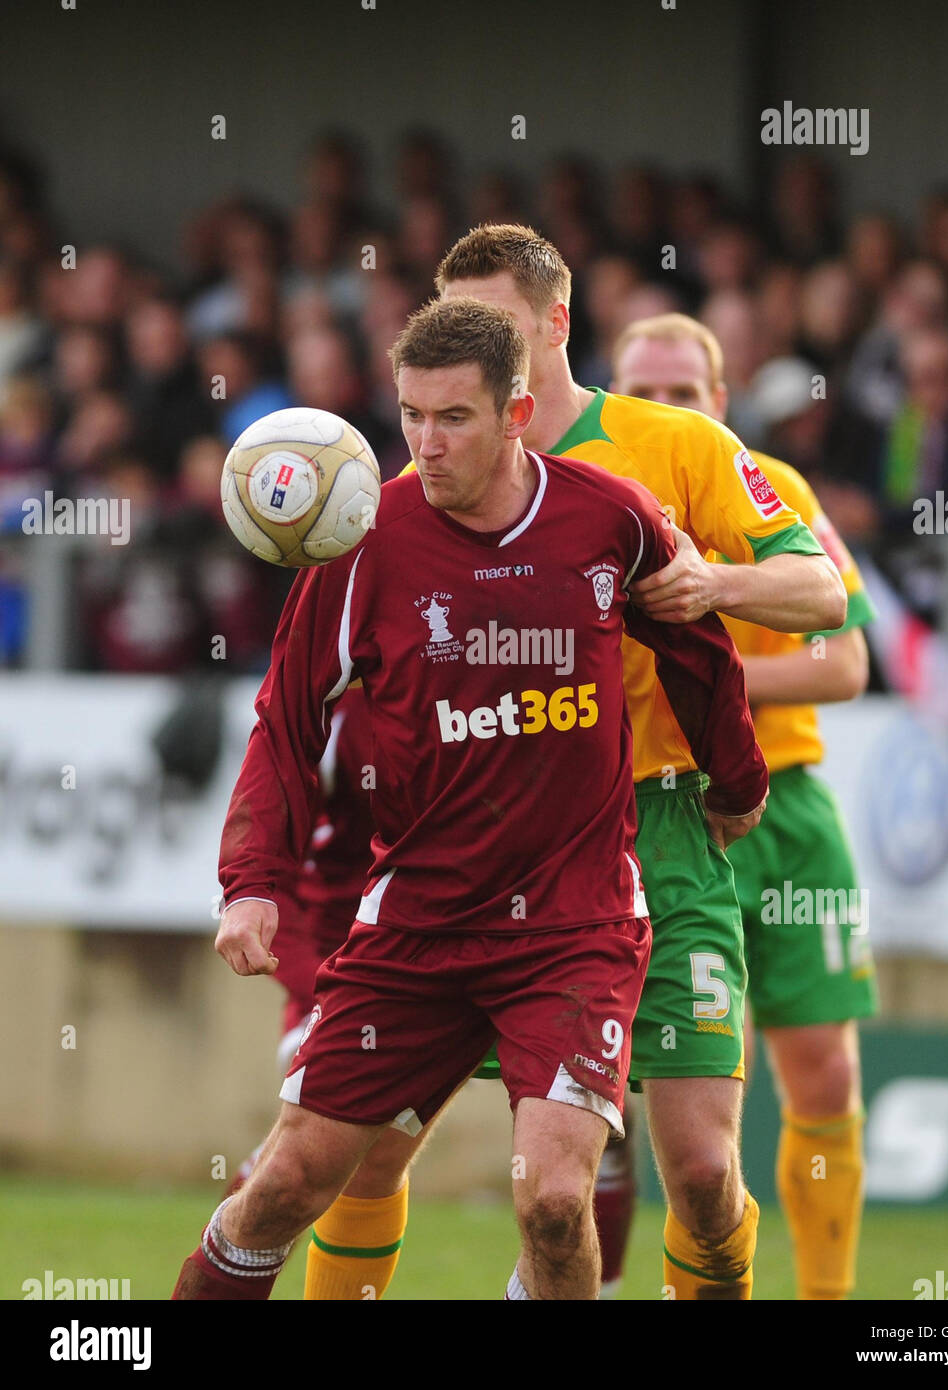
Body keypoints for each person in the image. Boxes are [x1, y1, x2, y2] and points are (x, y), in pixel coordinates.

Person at [172, 297, 768, 1301]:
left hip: (574, 922)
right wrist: (251, 882)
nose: (423, 443)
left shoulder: (608, 517)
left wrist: (735, 775)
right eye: (409, 414)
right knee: (286, 1182)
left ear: (516, 412)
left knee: (551, 1198)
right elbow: (286, 722)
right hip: (417, 921)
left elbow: (697, 639)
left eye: (452, 418)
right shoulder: (365, 542)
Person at [304, 225, 845, 1304]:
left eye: (493, 322)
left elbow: (822, 595)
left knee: (699, 1170)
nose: (468, 347)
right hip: (482, 848)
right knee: (364, 1156)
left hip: (663, 831)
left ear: (554, 324)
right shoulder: (425, 475)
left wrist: (709, 587)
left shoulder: (670, 445)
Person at [608, 312, 878, 1300]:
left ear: (719, 404)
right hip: (669, 810)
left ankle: (829, 1300)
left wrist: (708, 674)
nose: (665, 408)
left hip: (790, 810)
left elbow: (845, 658)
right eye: (644, 390)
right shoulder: (591, 499)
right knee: (662, 1103)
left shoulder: (773, 495)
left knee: (826, 1078)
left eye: (684, 393)